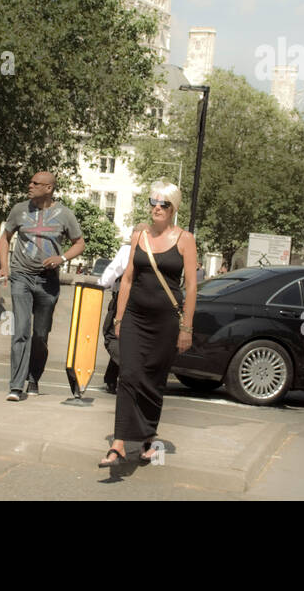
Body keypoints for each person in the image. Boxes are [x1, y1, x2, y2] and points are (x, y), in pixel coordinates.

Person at [100, 180, 197, 469]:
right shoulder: (139, 236)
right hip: (134, 317)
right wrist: (118, 317)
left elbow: (191, 287)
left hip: (166, 322)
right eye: (153, 202)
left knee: (153, 381)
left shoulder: (185, 239)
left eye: (163, 203)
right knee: (128, 374)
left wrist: (186, 327)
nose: (157, 207)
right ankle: (118, 443)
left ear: (173, 208)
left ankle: (148, 440)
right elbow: (127, 278)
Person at [0, 172, 85, 401]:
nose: (30, 185)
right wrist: (5, 267)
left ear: (49, 188)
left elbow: (79, 243)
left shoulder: (64, 215)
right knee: (21, 330)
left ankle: (34, 377)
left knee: (40, 335)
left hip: (48, 281)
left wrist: (62, 259)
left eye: (35, 183)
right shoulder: (19, 210)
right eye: (31, 182)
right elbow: (5, 237)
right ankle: (16, 386)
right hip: (21, 276)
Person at [99, 229, 145, 394]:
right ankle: (111, 378)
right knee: (128, 339)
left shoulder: (127, 250)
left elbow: (112, 272)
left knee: (112, 336)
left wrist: (101, 284)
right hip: (143, 302)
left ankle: (125, 375)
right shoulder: (155, 250)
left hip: (123, 300)